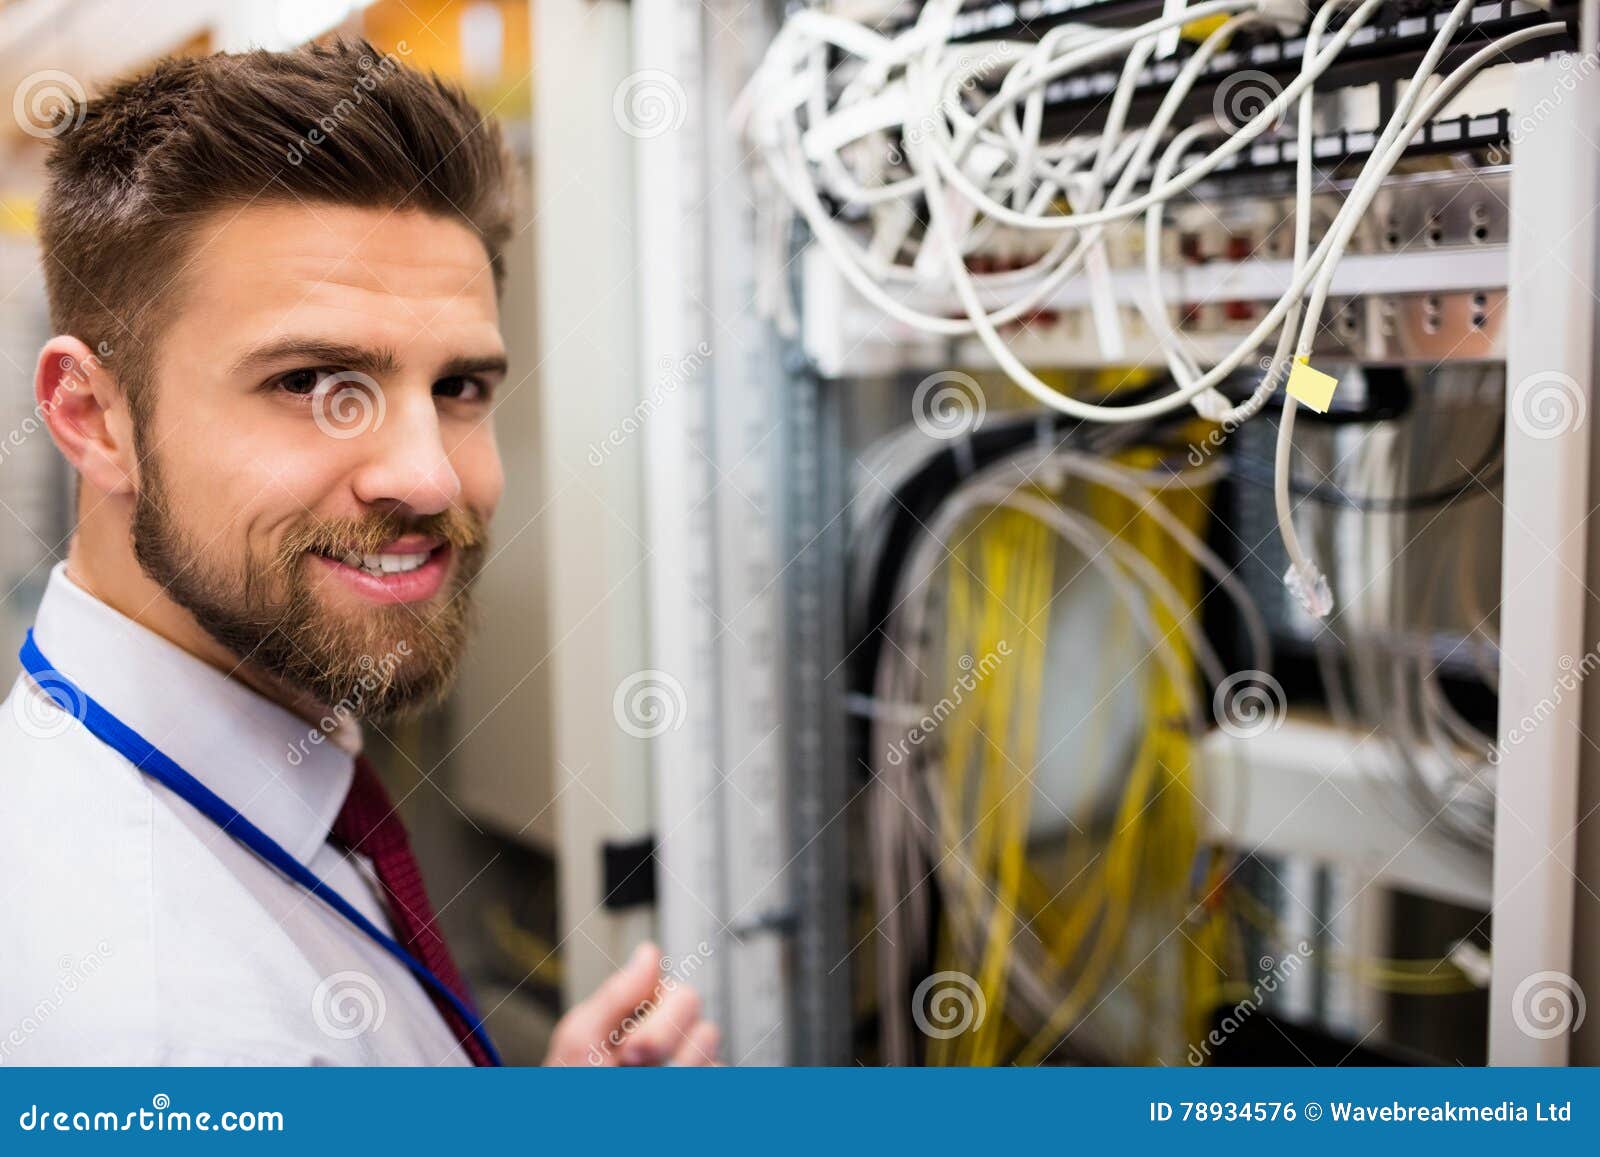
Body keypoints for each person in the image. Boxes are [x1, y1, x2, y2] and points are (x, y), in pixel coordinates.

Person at [0, 39, 717, 1067]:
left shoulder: (249, 756)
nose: (430, 479)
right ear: (92, 417)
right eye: (313, 383)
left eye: (460, 388)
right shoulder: (159, 1037)